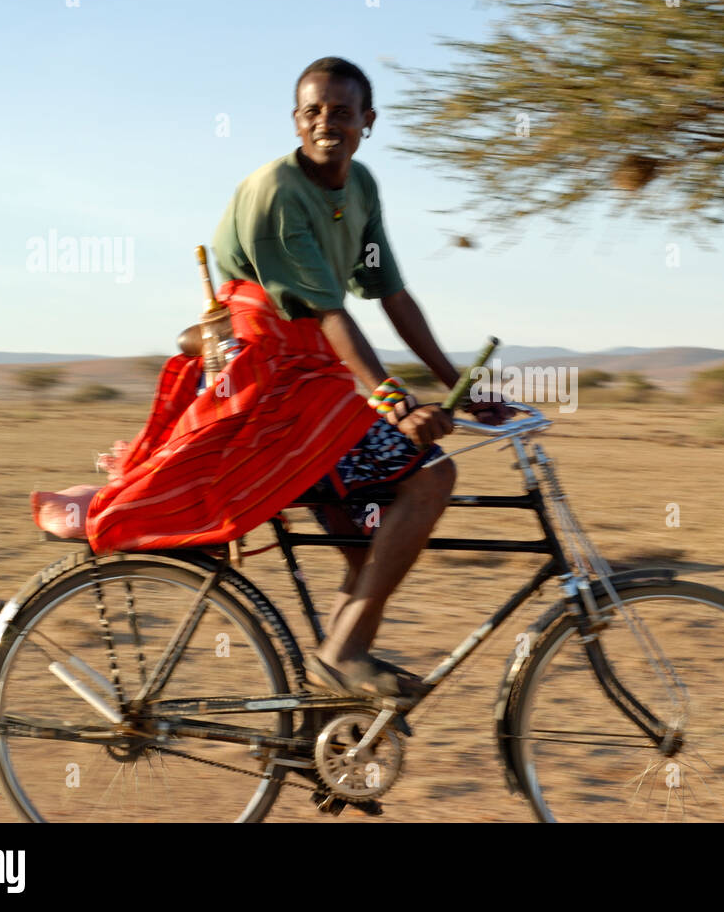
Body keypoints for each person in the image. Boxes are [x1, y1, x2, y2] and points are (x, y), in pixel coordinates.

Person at [208, 56, 510, 701]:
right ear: (296, 120)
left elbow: (392, 295)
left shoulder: (362, 187)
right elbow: (330, 312)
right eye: (313, 111)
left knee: (369, 549)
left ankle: (332, 710)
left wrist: (462, 384)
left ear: (367, 121)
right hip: (270, 390)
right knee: (431, 473)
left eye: (342, 112)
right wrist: (396, 403)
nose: (326, 123)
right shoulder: (277, 192)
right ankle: (342, 656)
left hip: (314, 380)